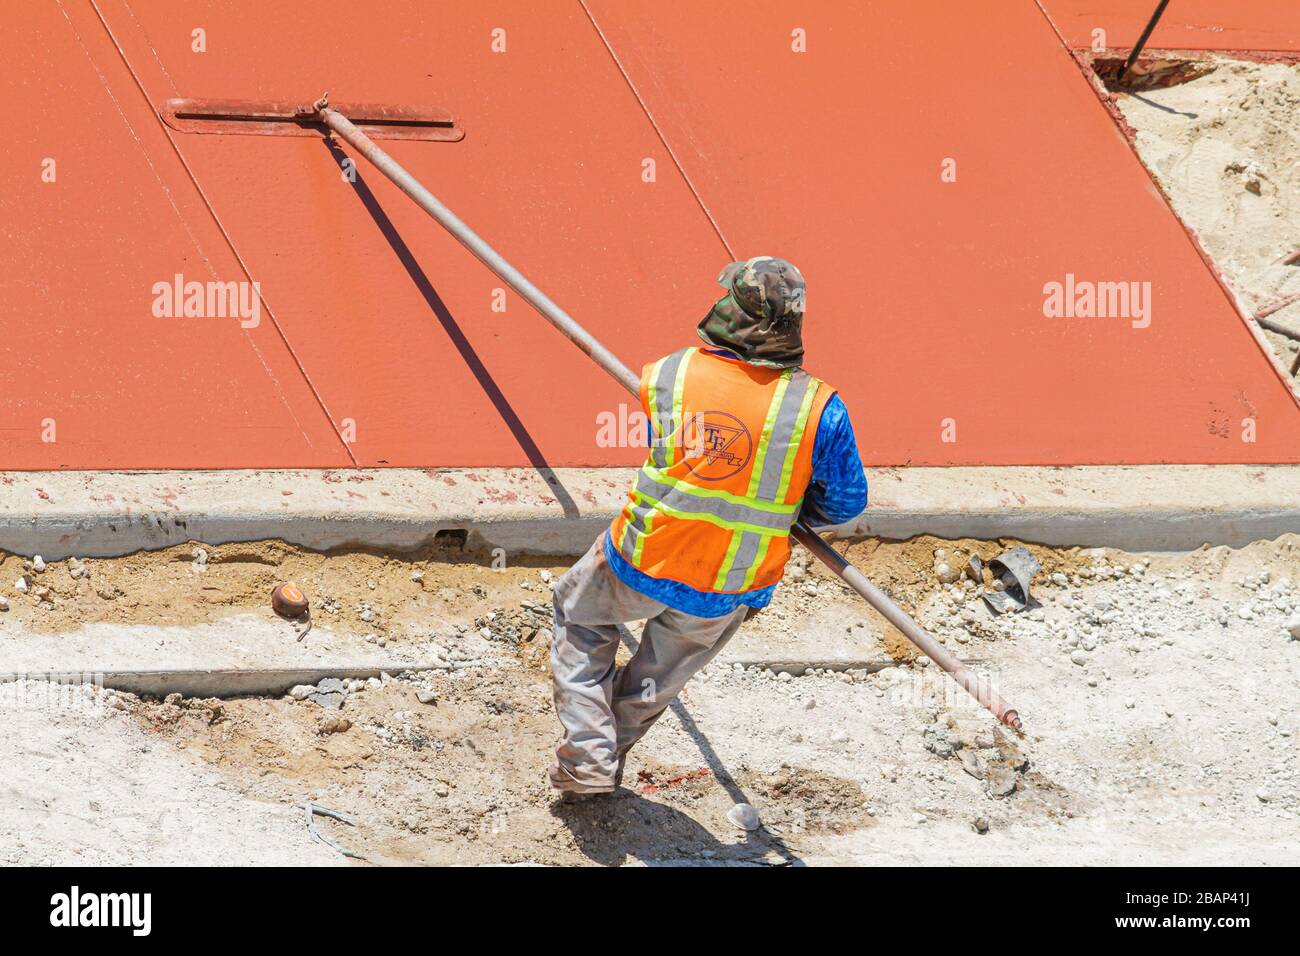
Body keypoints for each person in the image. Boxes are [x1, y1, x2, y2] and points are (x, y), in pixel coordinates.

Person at [549, 256, 867, 795]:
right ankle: (605, 753)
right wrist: (791, 508)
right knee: (656, 679)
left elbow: (678, 442)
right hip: (730, 583)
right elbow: (844, 503)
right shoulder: (822, 410)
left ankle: (589, 754)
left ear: (732, 312)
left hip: (645, 556)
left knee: (580, 616)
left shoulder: (673, 373)